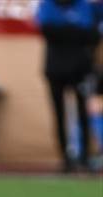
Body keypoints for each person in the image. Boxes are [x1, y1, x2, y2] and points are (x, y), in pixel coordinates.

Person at [36, 0, 101, 172]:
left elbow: (92, 35)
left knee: (83, 114)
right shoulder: (48, 5)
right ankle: (65, 159)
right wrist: (75, 32)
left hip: (80, 69)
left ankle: (84, 157)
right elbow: (48, 31)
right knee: (59, 114)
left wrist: (64, 31)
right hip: (55, 69)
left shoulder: (83, 6)